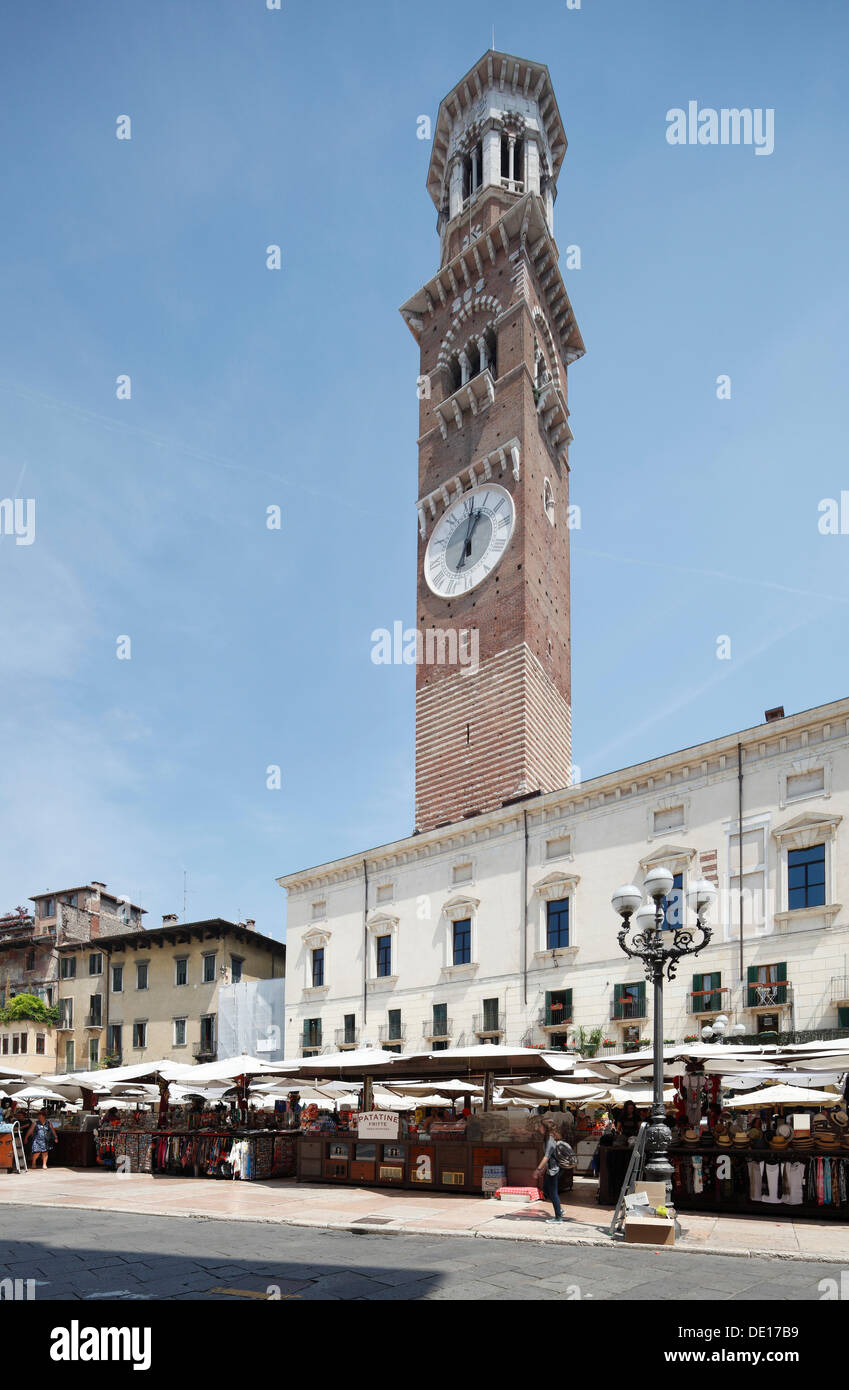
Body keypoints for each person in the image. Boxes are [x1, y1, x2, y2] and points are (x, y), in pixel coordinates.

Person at [534, 1118, 567, 1225]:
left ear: (545, 1128)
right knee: (547, 1191)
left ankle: (558, 1217)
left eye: (540, 1126)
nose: (539, 1128)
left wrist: (538, 1169)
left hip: (554, 1170)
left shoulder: (550, 1140)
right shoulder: (548, 1138)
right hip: (550, 1169)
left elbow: (547, 1157)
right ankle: (560, 1210)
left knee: (552, 1193)